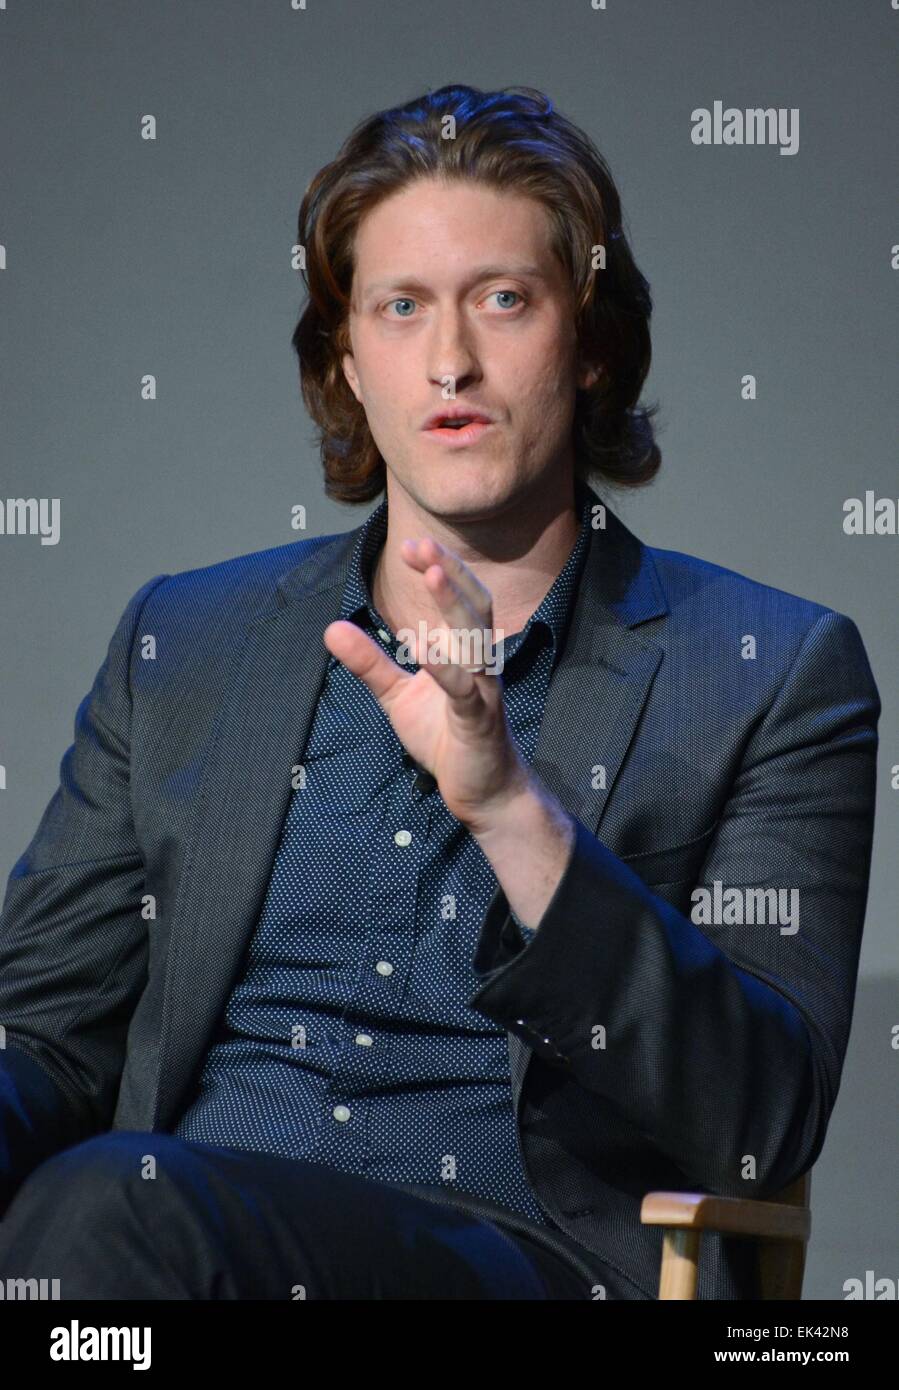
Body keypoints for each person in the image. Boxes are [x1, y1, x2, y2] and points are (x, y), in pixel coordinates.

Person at [0, 85, 879, 1301]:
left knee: (111, 1209)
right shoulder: (184, 643)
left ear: (591, 343)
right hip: (178, 1249)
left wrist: (512, 809)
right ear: (346, 362)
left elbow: (759, 1118)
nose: (450, 358)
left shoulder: (768, 670)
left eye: (502, 300)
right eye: (400, 307)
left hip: (518, 1261)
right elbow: (41, 1039)